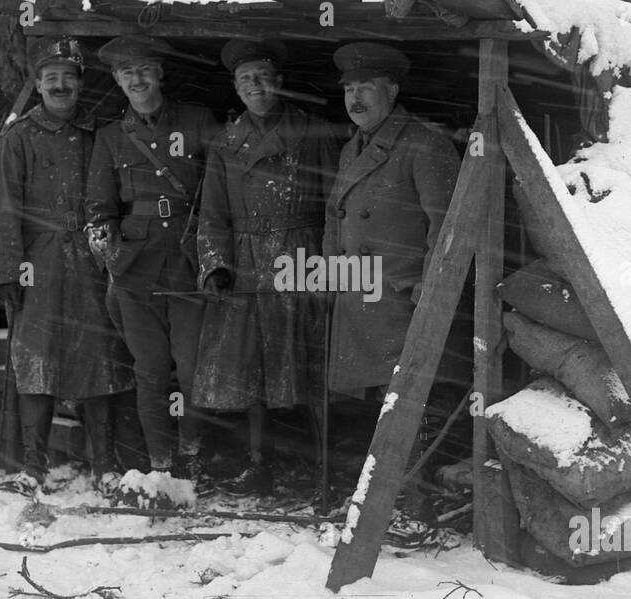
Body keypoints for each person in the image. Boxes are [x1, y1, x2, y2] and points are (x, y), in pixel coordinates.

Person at [0, 37, 133, 497]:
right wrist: (7, 270)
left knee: (99, 357)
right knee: (36, 360)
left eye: (69, 77)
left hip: (92, 257)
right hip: (39, 261)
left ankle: (104, 464)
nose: (60, 85)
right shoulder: (18, 138)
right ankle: (33, 467)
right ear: (38, 83)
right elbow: (0, 208)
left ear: (81, 83)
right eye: (51, 78)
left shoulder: (100, 134)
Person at [323, 41, 467, 524]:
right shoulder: (352, 147)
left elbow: (446, 228)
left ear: (392, 91)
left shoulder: (423, 144)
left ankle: (412, 503)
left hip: (402, 298)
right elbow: (336, 218)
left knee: (409, 405)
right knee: (383, 406)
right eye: (349, 90)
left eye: (366, 88)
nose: (355, 99)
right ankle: (386, 498)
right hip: (362, 293)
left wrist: (431, 290)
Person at [192, 39, 344, 494]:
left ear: (279, 83)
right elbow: (212, 213)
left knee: (309, 360)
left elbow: (335, 203)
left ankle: (324, 468)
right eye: (245, 80)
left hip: (300, 254)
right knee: (253, 365)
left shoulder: (312, 131)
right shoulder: (224, 143)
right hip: (247, 263)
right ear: (235, 89)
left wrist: (329, 265)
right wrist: (215, 265)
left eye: (262, 77)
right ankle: (260, 464)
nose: (254, 86)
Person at [85, 35, 223, 482]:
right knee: (150, 372)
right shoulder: (109, 137)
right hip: (135, 271)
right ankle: (160, 465)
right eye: (127, 74)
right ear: (117, 81)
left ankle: (193, 454)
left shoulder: (198, 121)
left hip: (186, 262)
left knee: (192, 367)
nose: (137, 80)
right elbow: (99, 210)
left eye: (144, 70)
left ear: (160, 73)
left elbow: (222, 188)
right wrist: (111, 258)